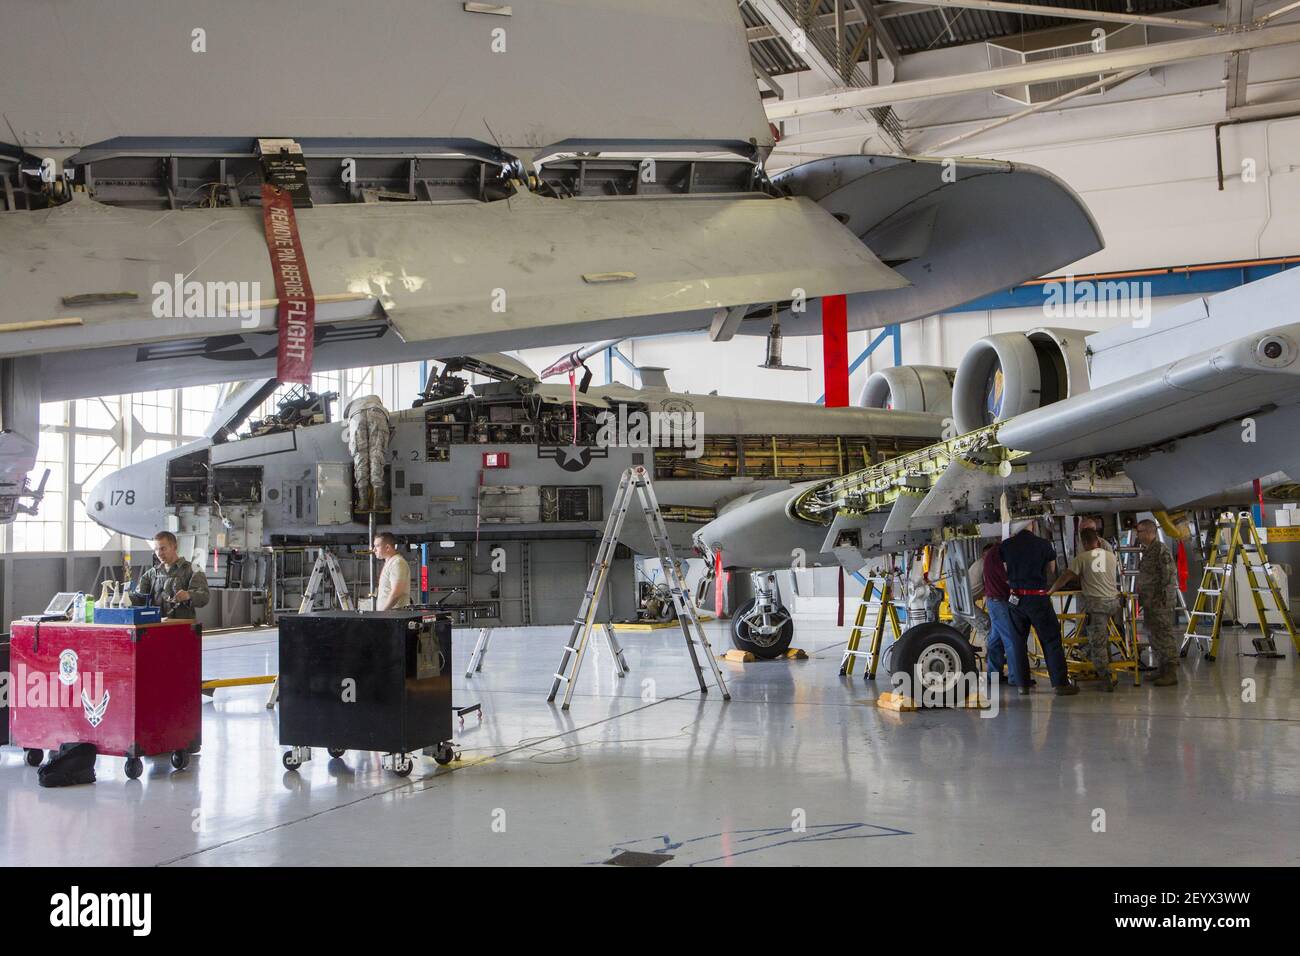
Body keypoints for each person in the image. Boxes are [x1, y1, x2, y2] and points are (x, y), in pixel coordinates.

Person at [1000, 518, 1077, 696]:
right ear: (1032, 525)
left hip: (1016, 598)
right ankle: (1060, 684)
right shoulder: (1043, 544)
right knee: (1050, 639)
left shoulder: (1006, 545)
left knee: (1018, 642)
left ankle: (1023, 685)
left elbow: (1005, 570)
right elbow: (1051, 568)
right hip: (1037, 598)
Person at [1049, 528, 1122, 691]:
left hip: (1097, 605)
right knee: (1103, 638)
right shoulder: (1111, 556)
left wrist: (1050, 591)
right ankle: (1108, 668)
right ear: (1098, 541)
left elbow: (1065, 577)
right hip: (1113, 603)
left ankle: (1106, 678)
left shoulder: (1082, 557)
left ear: (1084, 542)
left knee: (1096, 643)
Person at [1135, 518, 1181, 686]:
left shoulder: (1160, 549)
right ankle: (1162, 668)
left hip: (1159, 601)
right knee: (1154, 635)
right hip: (1150, 601)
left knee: (1164, 634)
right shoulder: (1148, 550)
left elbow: (1168, 574)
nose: (1137, 535)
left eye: (1139, 531)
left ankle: (1170, 672)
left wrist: (1162, 597)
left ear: (1149, 532)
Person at [132, 531, 210, 619]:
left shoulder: (193, 570)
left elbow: (204, 597)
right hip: (157, 626)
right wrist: (124, 599)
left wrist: (188, 595)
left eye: (163, 548)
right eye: (156, 549)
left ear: (175, 547)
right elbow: (139, 598)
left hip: (182, 627)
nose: (159, 553)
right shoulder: (151, 574)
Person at [981, 542, 1021, 686]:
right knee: (1010, 639)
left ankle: (994, 675)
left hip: (993, 601)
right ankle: (1015, 678)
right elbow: (1008, 578)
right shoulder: (997, 556)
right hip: (999, 603)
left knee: (995, 640)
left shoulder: (992, 556)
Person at [343, 395, 391, 510]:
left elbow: (345, 418)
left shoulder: (353, 406)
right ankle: (377, 501)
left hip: (356, 417)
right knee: (376, 456)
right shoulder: (375, 400)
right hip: (377, 412)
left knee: (360, 458)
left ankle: (363, 501)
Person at [373, 532, 412, 611]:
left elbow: (396, 593)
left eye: (377, 546)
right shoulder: (390, 563)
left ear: (387, 547)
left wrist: (382, 613)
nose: (374, 550)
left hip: (394, 614)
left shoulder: (397, 563)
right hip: (390, 614)